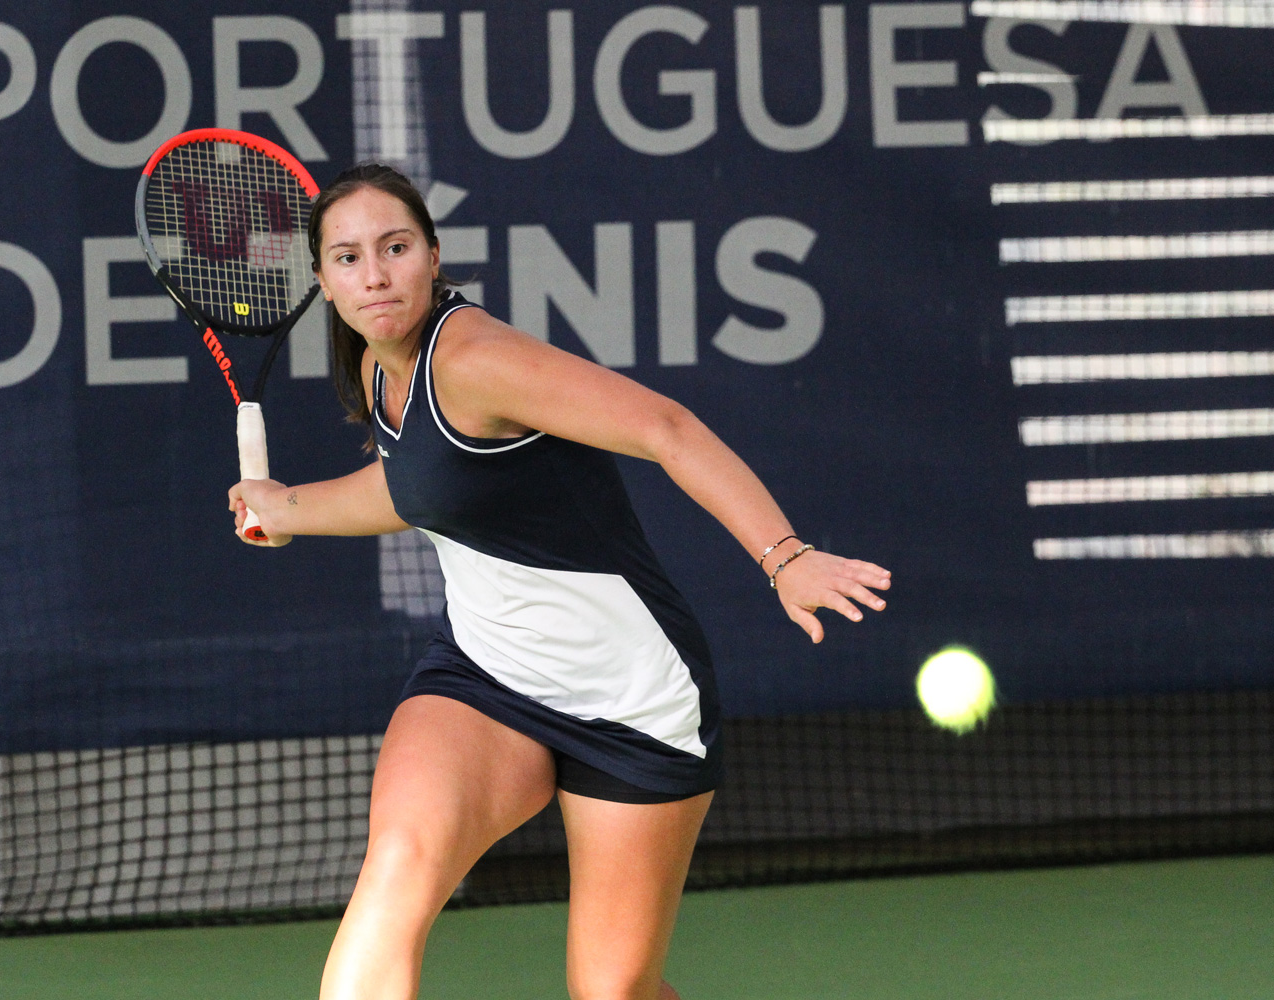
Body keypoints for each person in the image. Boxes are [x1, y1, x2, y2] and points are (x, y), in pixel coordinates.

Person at [228, 164, 891, 1000]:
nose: (376, 274)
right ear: (323, 282)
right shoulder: (378, 371)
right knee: (398, 867)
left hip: (631, 703)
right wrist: (288, 505)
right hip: (484, 675)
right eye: (350, 258)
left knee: (615, 992)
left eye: (395, 248)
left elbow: (664, 427)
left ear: (433, 256)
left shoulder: (477, 360)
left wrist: (784, 556)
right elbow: (419, 490)